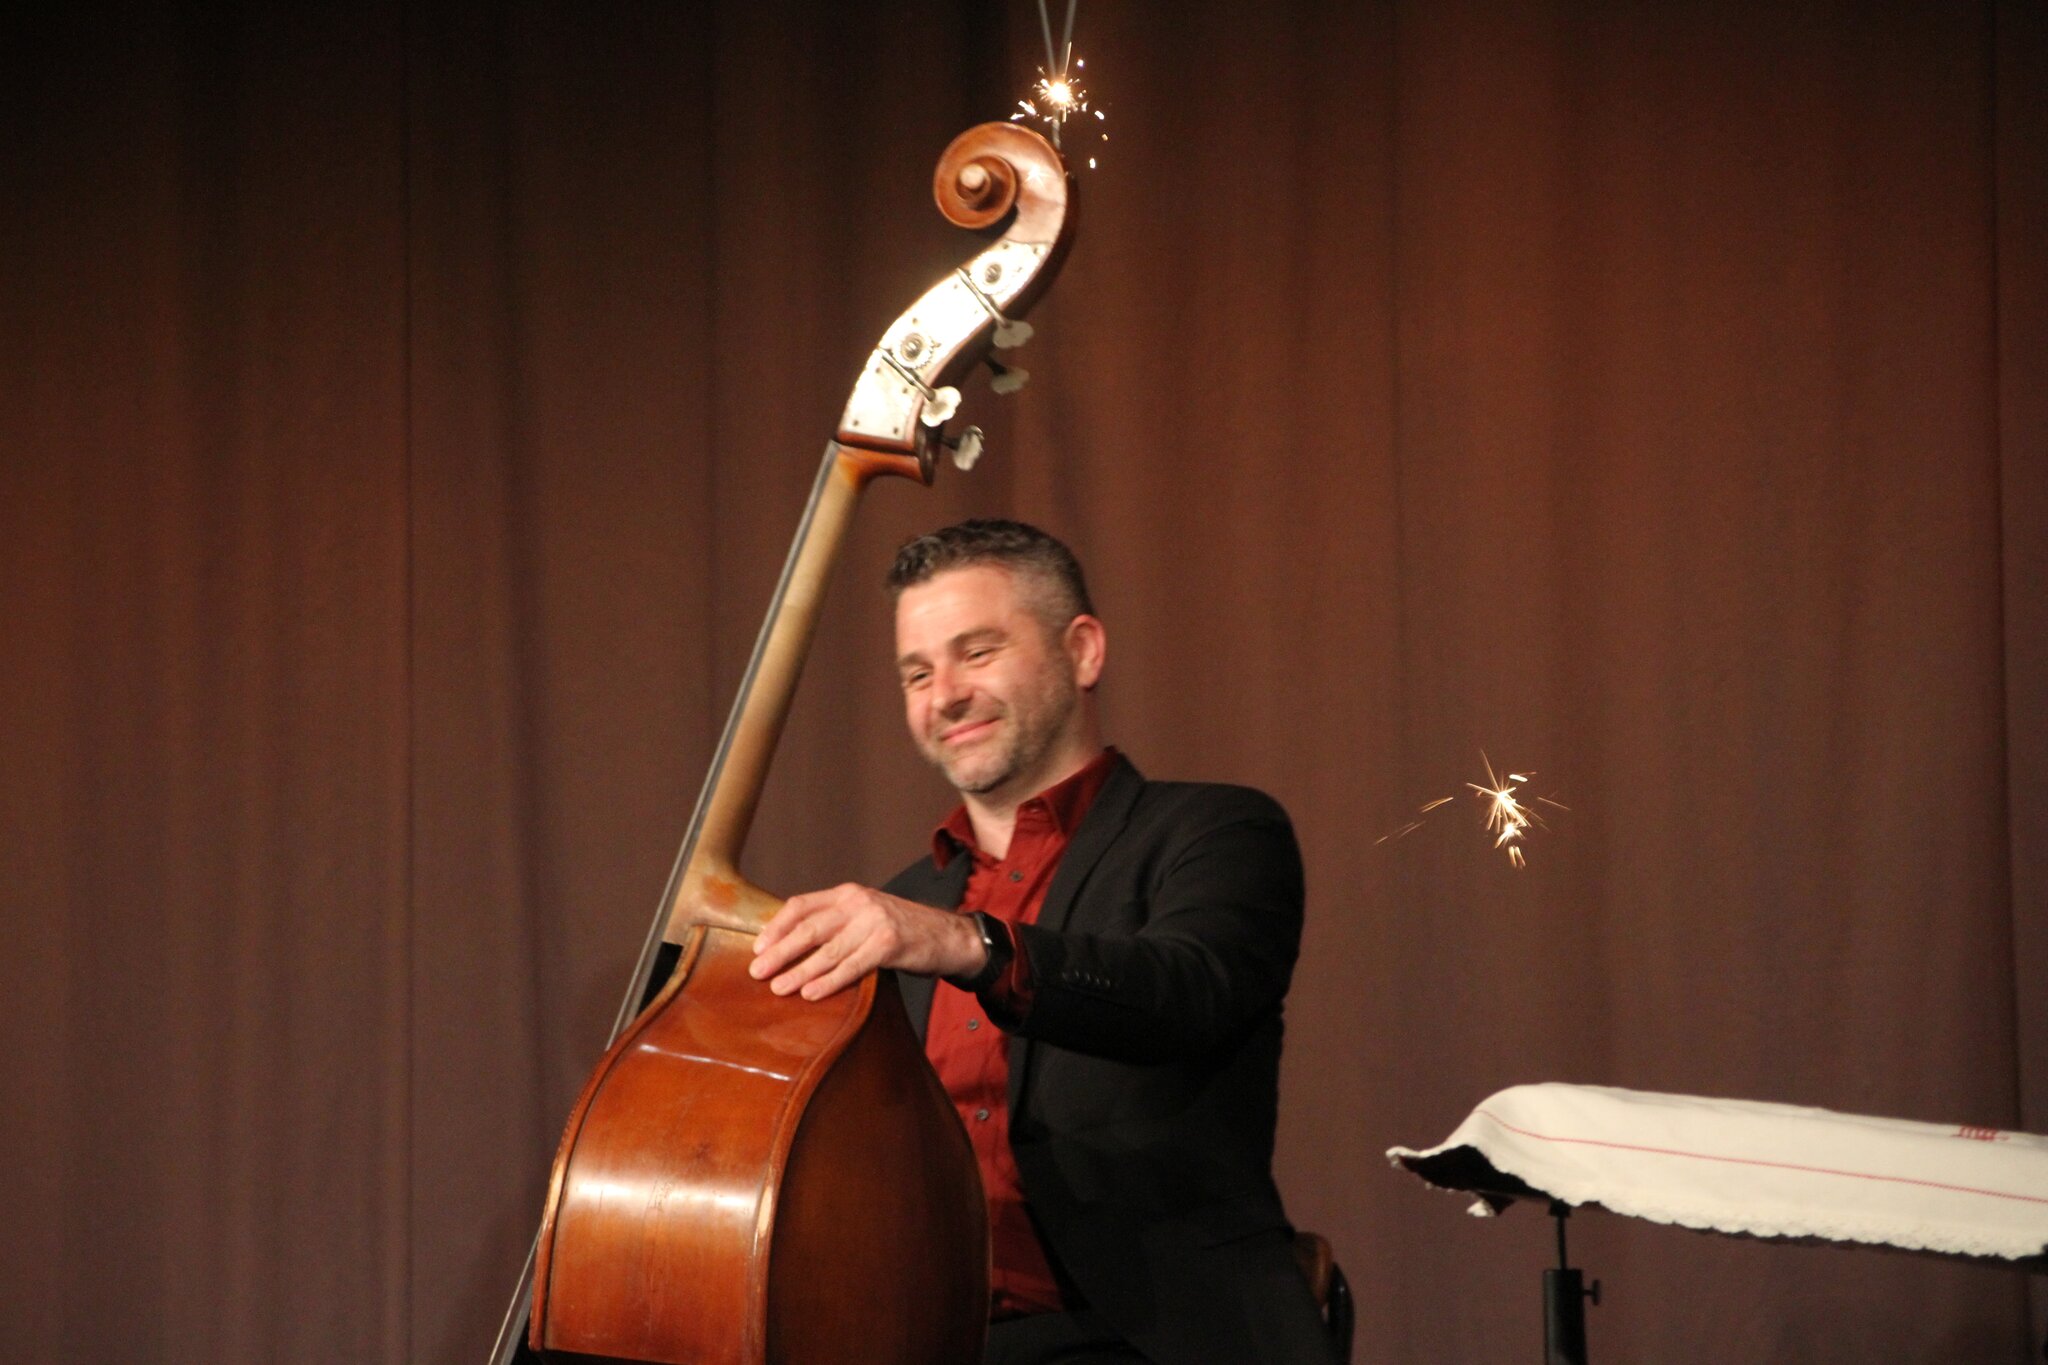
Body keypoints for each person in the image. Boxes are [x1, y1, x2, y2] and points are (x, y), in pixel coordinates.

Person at [748, 519, 1334, 1365]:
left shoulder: (1214, 830)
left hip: (1151, 1341)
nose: (942, 693)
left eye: (976, 652)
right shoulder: (905, 906)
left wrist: (970, 944)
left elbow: (1184, 992)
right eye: (917, 672)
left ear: (1084, 651)